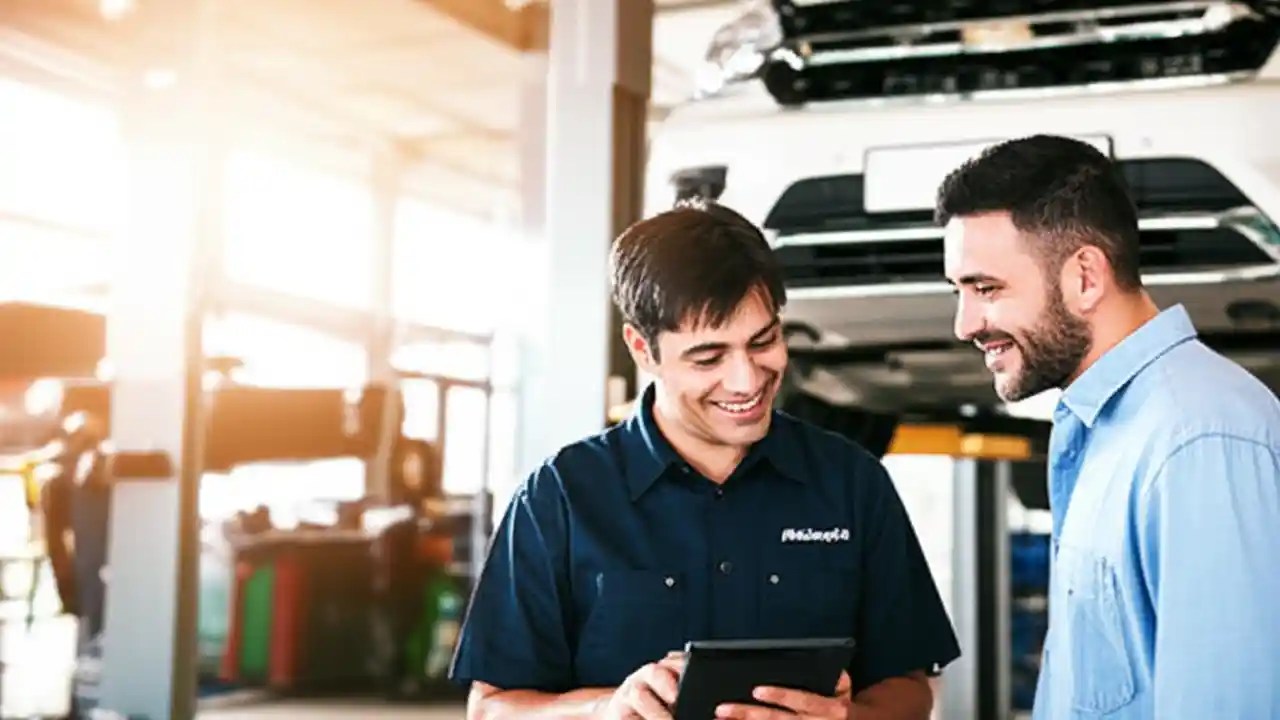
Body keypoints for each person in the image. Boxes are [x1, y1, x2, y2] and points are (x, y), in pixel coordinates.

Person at [449, 202, 961, 719]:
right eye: (708, 358)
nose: (746, 380)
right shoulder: (558, 498)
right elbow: (493, 708)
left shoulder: (852, 483)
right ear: (642, 349)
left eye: (763, 342)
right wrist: (607, 709)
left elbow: (908, 687)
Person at [936, 134, 1280, 720]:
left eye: (986, 289)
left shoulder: (1199, 440)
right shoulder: (1106, 428)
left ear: (1086, 277)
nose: (965, 323)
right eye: (959, 291)